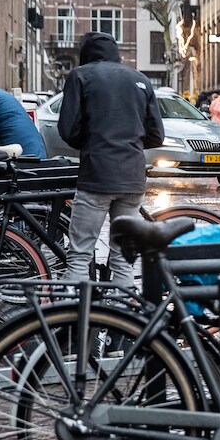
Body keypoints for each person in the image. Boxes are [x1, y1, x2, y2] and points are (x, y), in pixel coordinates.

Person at [57, 31, 164, 287]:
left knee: (80, 256)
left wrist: (93, 141)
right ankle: (124, 321)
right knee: (122, 259)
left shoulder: (80, 75)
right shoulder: (141, 79)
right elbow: (156, 135)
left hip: (97, 176)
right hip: (132, 177)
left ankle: (75, 320)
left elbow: (68, 130)